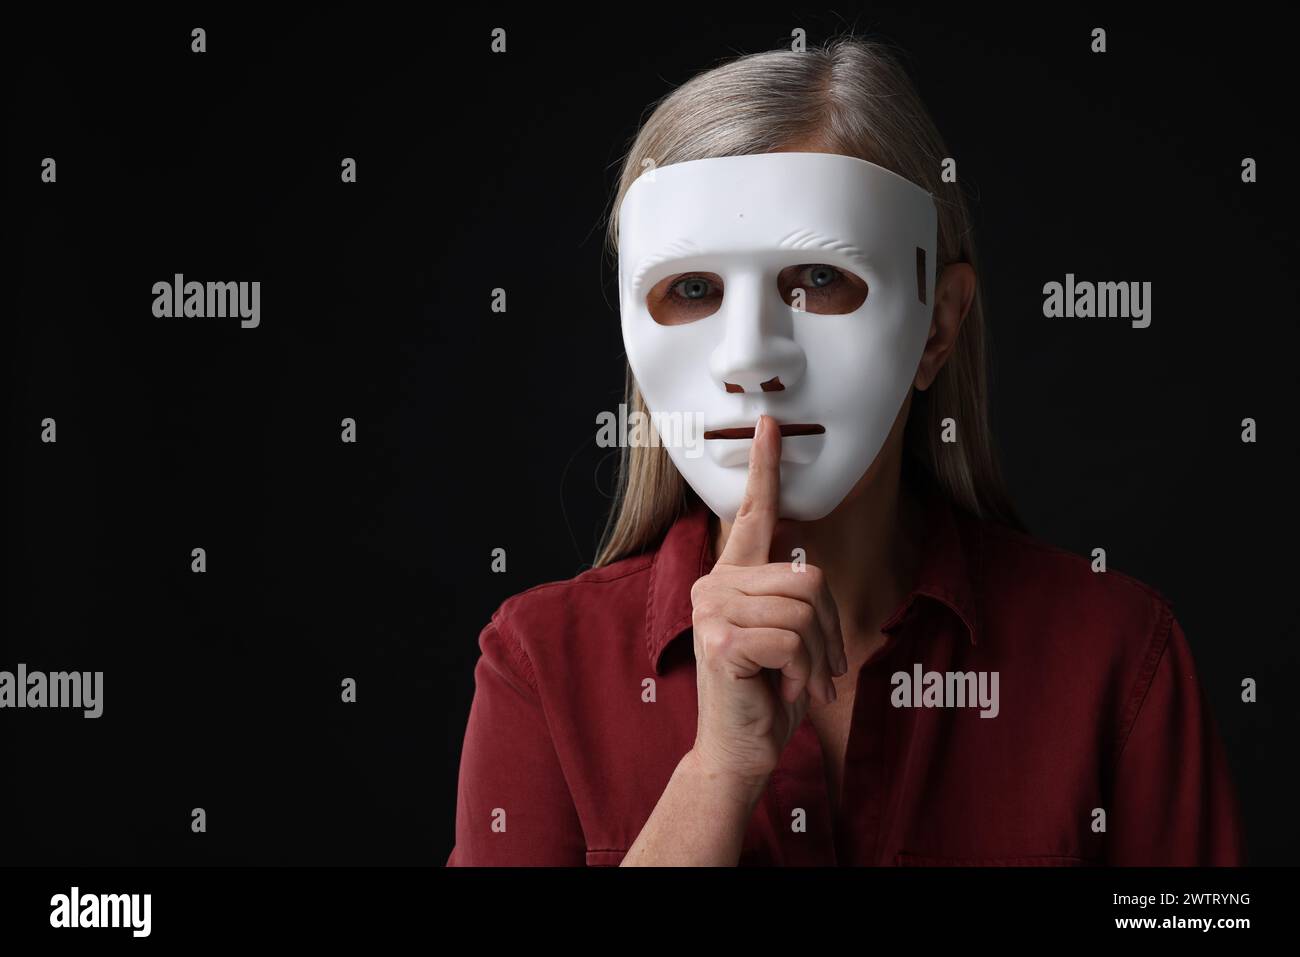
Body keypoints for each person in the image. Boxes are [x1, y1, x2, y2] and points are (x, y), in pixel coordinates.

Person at [445, 35, 1244, 867]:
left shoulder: (1114, 650)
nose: (752, 357)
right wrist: (717, 772)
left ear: (937, 323)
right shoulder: (540, 662)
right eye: (691, 289)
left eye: (820, 280)